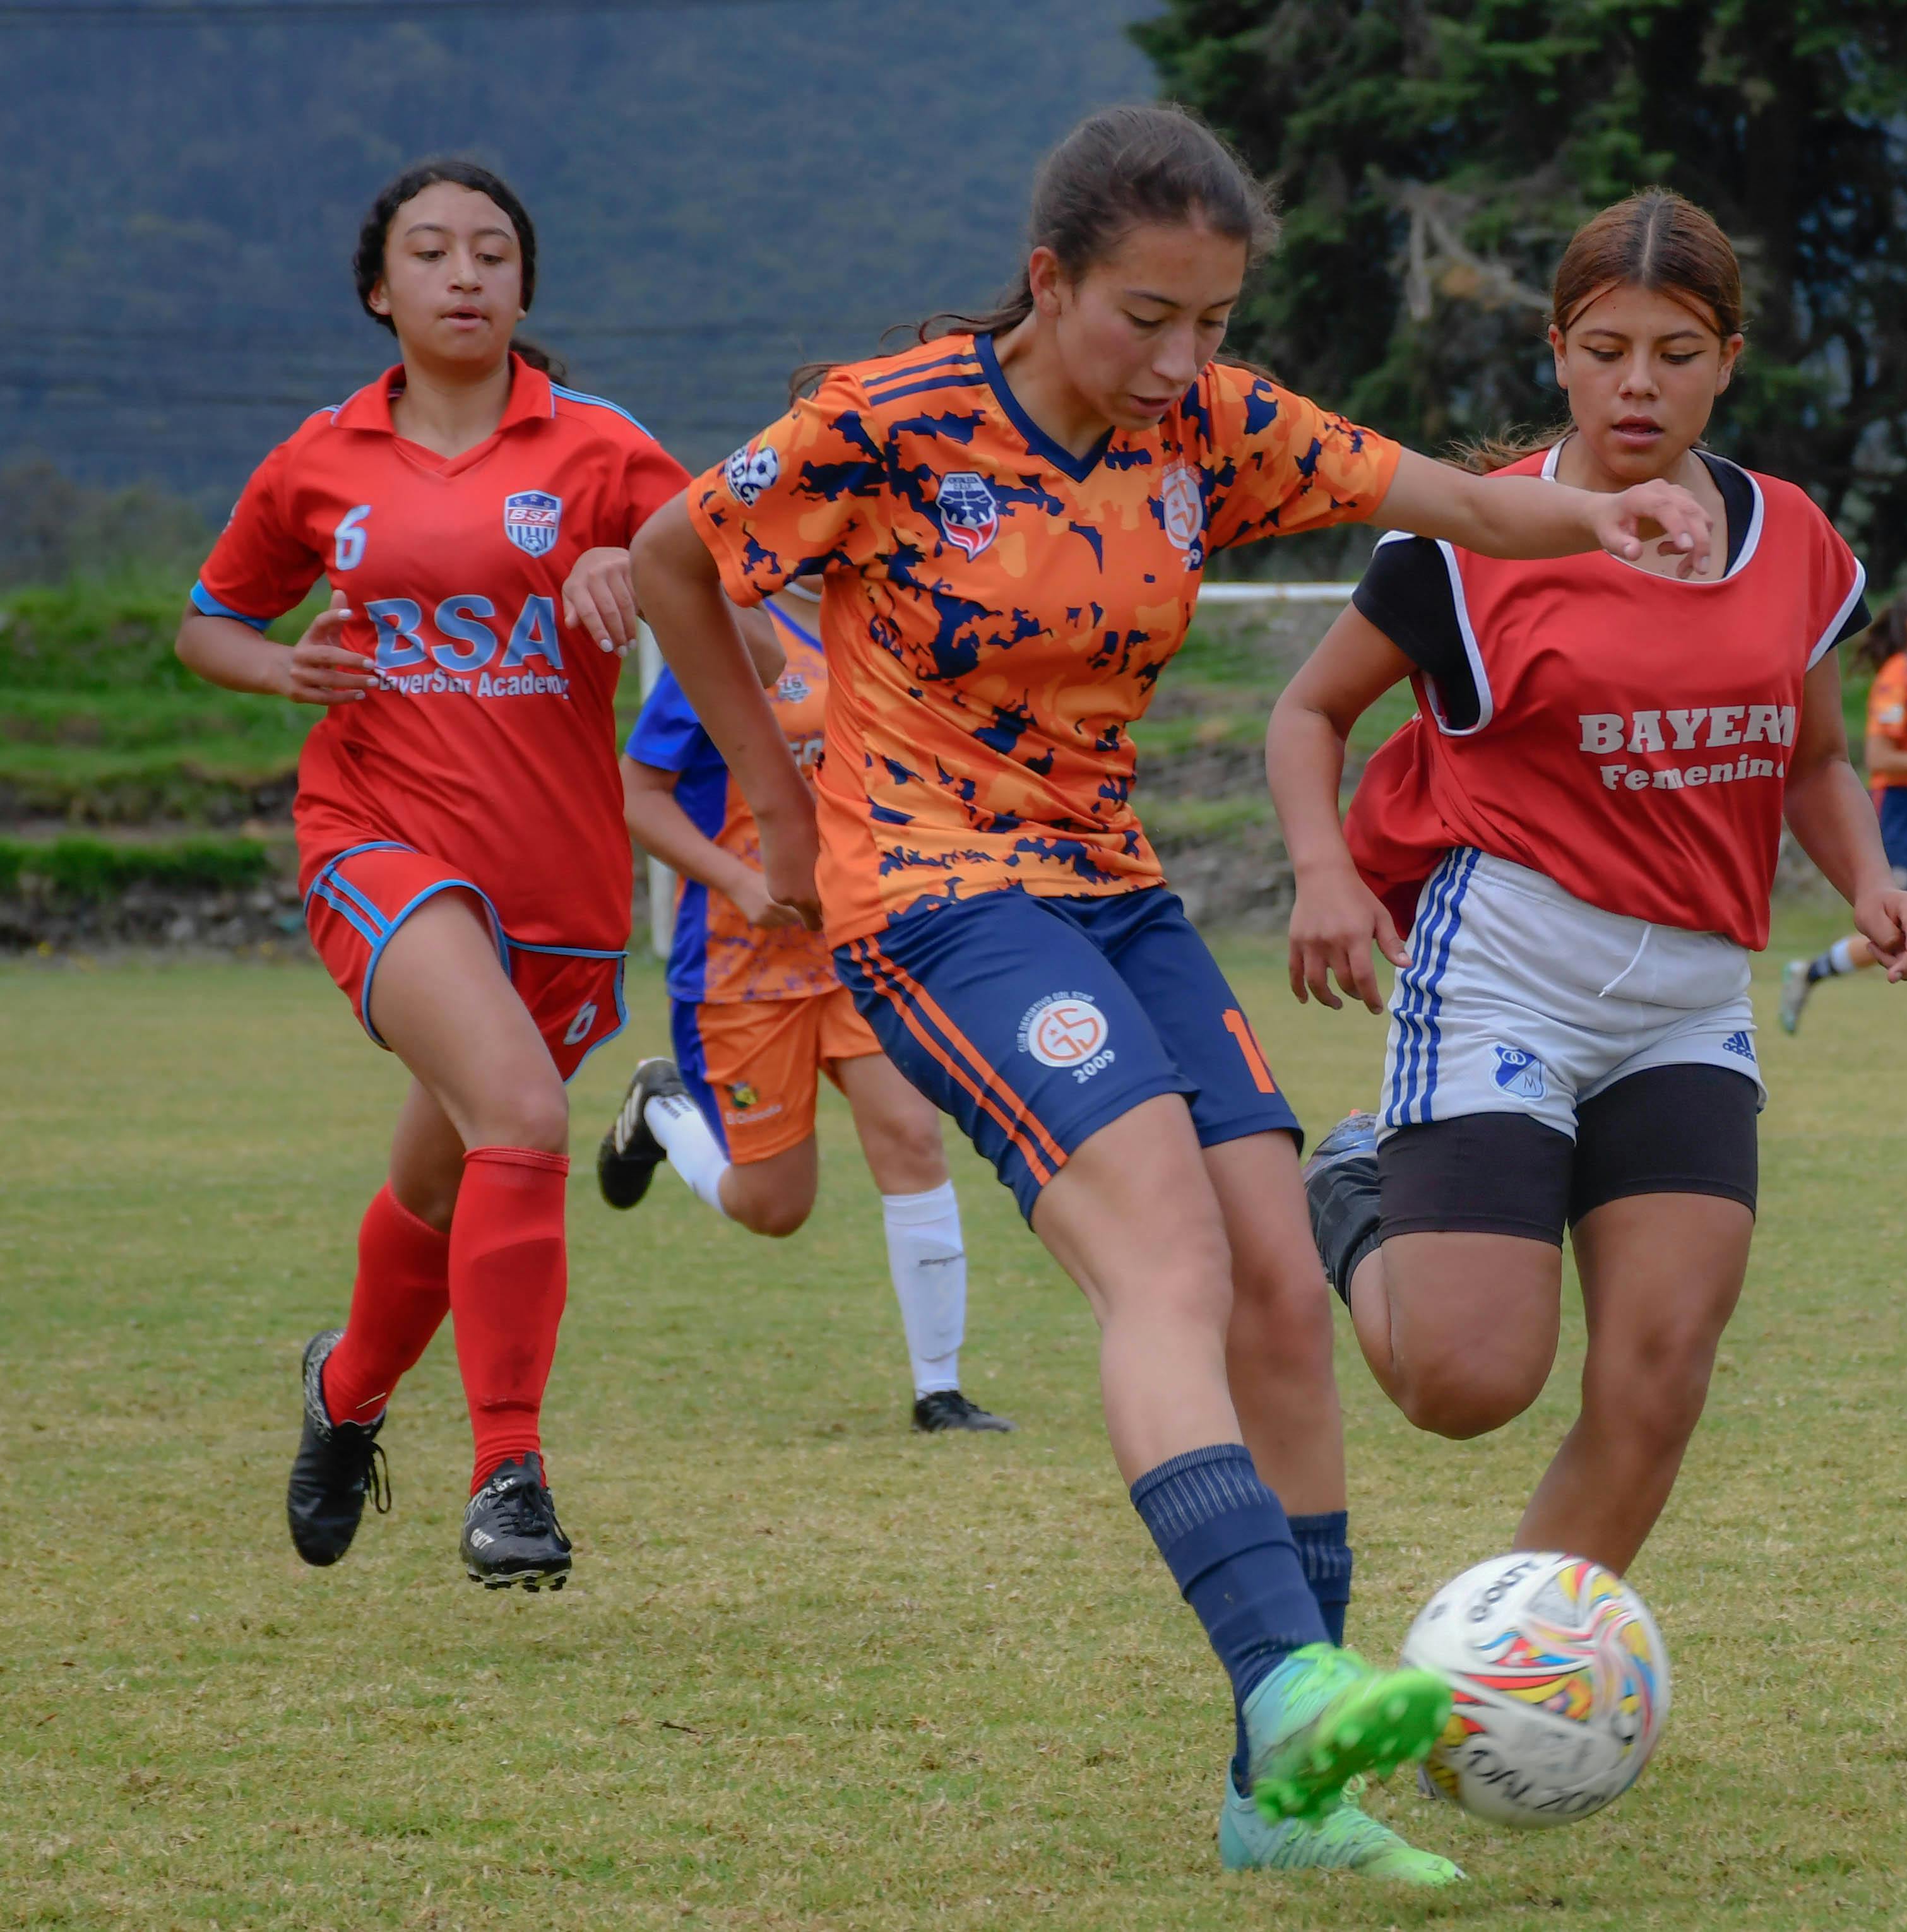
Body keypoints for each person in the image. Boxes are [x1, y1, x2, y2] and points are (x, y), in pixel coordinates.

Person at [628, 104, 1714, 1884]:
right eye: (1147, 316)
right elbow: (679, 553)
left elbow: (1447, 499)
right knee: (1168, 1260)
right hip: (936, 898)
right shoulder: (888, 421)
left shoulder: (1208, 421)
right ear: (1050, 283)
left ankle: (1271, 1795)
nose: (1182, 360)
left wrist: (1605, 518)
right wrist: (771, 800)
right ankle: (1287, 1675)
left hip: (1109, 888)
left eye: (1212, 320)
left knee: (1283, 1285)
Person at [1268, 190, 1907, 1582]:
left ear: (1729, 359)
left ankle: (1519, 1682)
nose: (1641, 383)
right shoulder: (1473, 538)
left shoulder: (1794, 537)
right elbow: (1307, 715)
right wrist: (1325, 871)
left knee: (1662, 1370)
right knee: (1466, 1384)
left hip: (1689, 994)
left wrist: (1869, 876)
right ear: (1558, 349)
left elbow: (1814, 758)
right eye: (1609, 348)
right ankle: (1349, 1183)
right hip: (1511, 963)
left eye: (1678, 352)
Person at [176, 160, 734, 1591]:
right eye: (431, 252)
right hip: (378, 839)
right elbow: (211, 621)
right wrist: (279, 662)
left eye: (493, 251)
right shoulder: (320, 458)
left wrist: (631, 564)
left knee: (449, 1178)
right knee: (529, 1115)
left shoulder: (601, 448)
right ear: (382, 290)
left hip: (553, 883)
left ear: (527, 287)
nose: (466, 273)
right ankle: (508, 1474)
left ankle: (347, 1390)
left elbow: (721, 567)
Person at [597, 578, 1013, 1433]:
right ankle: (662, 1106)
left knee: (911, 1136)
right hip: (739, 967)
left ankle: (941, 1390)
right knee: (775, 1208)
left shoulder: (885, 630)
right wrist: (740, 881)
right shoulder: (735, 638)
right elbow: (638, 791)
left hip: (857, 948)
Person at [1776, 586, 1907, 1056]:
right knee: (1892, 934)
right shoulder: (1896, 679)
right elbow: (1879, 757)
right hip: (1898, 810)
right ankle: (1807, 972)